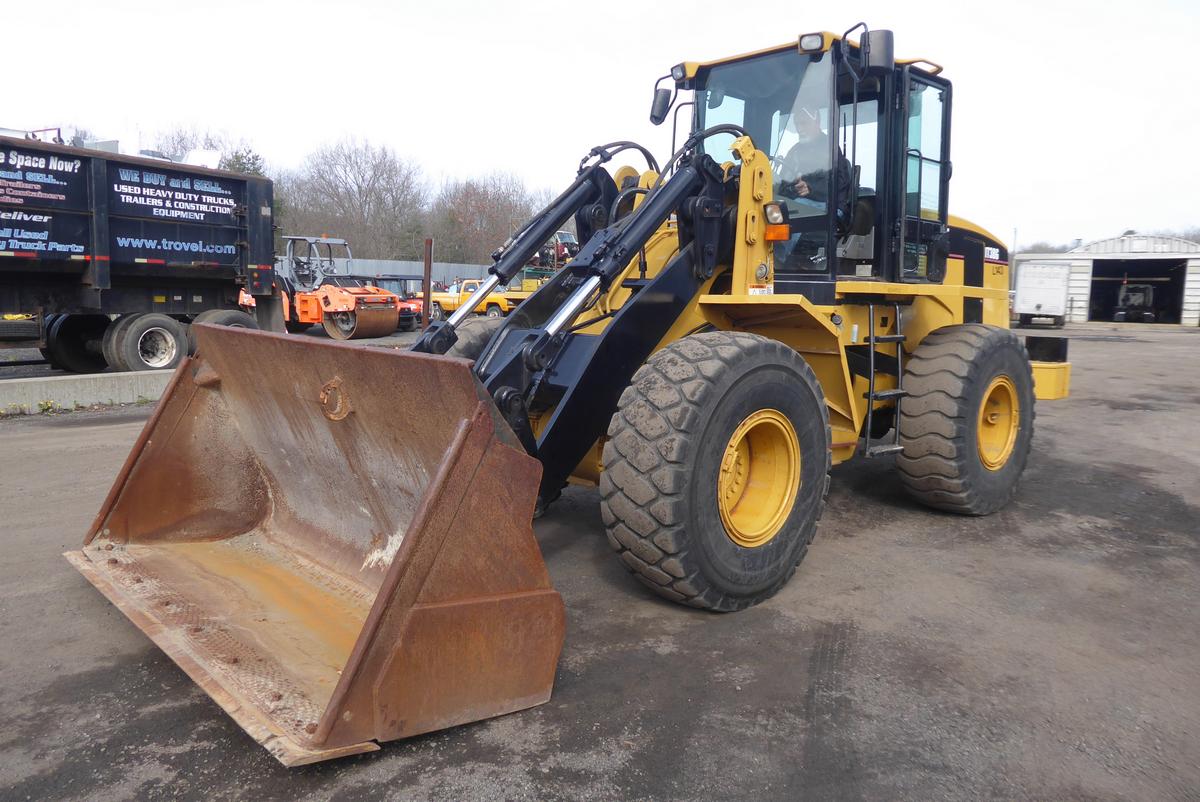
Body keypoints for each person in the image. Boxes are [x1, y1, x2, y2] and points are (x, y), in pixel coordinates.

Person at [776, 103, 851, 211]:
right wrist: (793, 188)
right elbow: (782, 184)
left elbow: (840, 181)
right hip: (800, 203)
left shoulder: (830, 147)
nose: (799, 128)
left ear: (817, 122)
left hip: (829, 207)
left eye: (804, 123)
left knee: (793, 208)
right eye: (797, 124)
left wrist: (811, 188)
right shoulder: (794, 151)